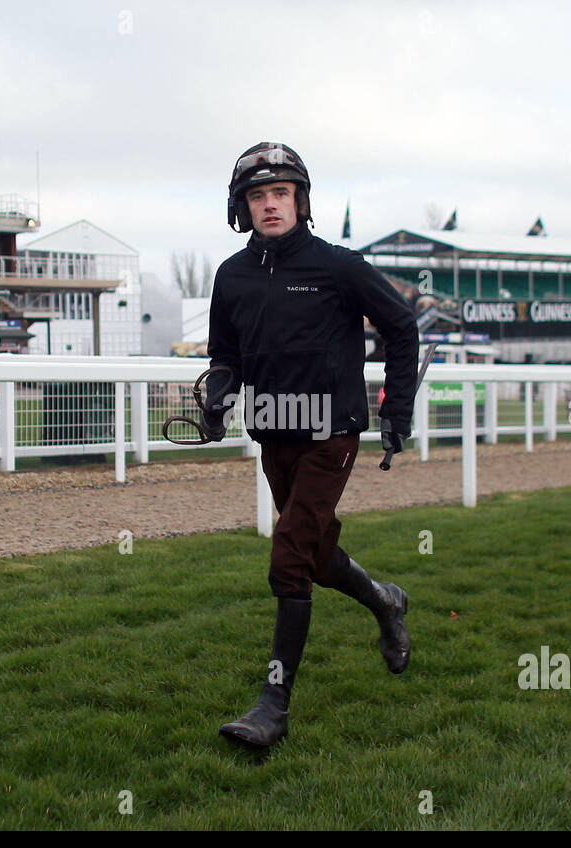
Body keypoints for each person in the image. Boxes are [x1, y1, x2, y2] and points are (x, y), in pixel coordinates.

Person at [201, 142, 420, 749]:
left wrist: (395, 410)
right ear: (242, 208)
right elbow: (227, 357)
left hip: (333, 433)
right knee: (317, 556)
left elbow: (402, 328)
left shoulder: (339, 266)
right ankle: (385, 602)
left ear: (299, 200)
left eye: (280, 193)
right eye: (257, 196)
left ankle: (273, 706)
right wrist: (218, 396)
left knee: (289, 553)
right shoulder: (231, 275)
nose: (270, 205)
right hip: (274, 432)